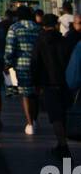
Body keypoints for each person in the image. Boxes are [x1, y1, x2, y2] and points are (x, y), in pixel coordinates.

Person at [31, 13, 72, 160]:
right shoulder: (63, 41)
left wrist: (35, 83)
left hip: (48, 83)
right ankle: (62, 144)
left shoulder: (40, 41)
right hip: (64, 81)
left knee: (55, 117)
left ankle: (63, 146)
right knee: (63, 114)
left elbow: (35, 62)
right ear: (55, 24)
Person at [4, 5, 41, 135]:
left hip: (21, 65)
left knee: (25, 94)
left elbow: (10, 48)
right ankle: (35, 119)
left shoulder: (14, 28)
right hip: (37, 65)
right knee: (35, 94)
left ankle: (30, 123)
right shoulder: (37, 28)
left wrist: (7, 63)